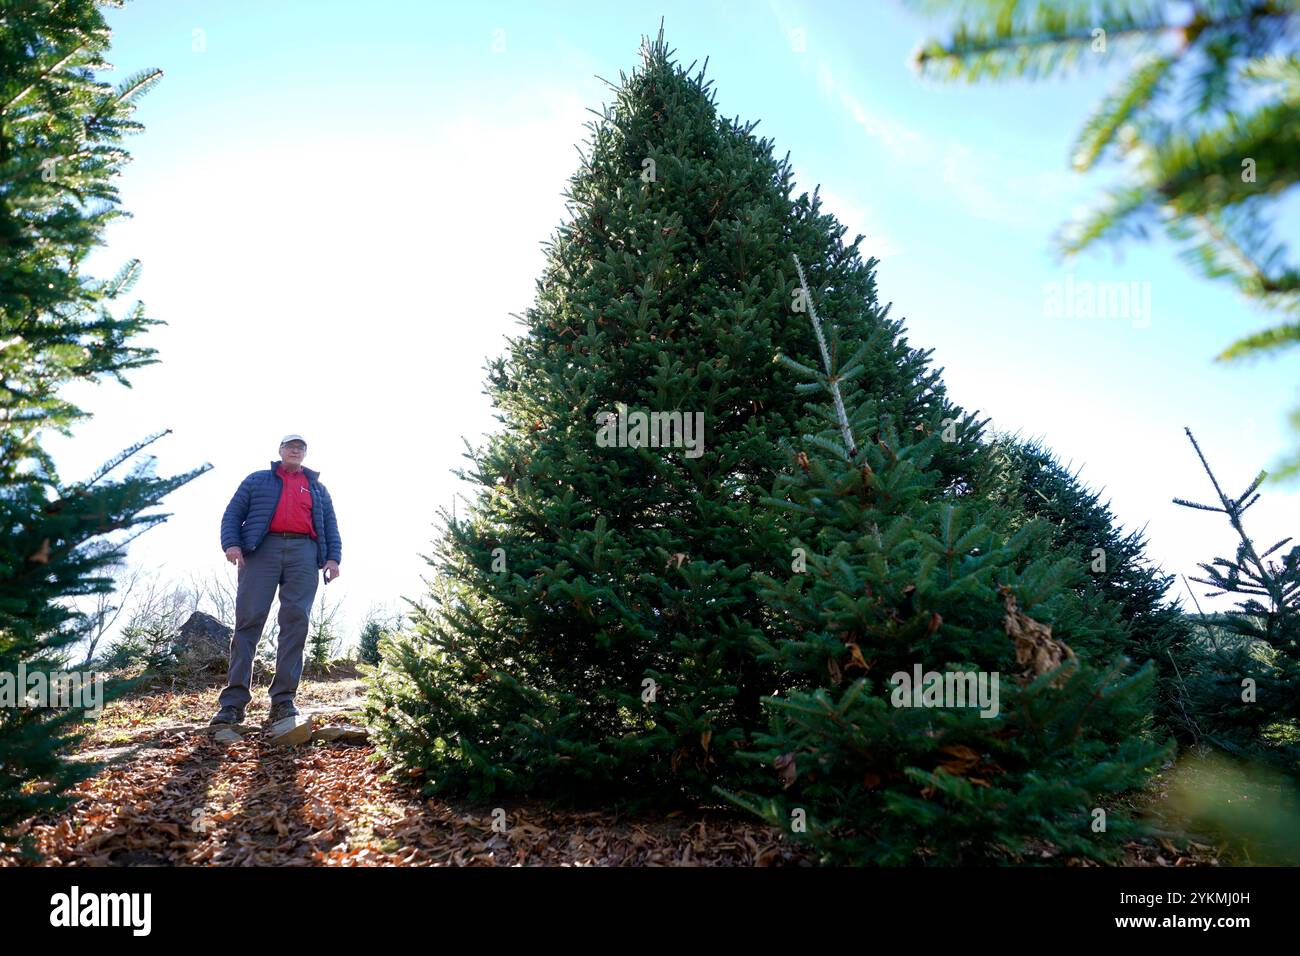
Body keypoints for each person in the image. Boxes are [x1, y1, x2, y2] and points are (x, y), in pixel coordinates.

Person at [210, 434, 342, 739]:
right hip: (261, 551)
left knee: (296, 623)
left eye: (301, 447)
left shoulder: (318, 489)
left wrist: (333, 559)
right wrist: (232, 544)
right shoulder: (258, 480)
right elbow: (232, 515)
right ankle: (232, 704)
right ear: (280, 451)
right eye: (290, 446)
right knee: (248, 621)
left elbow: (331, 526)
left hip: (304, 554)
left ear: (305, 454)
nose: (295, 450)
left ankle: (283, 701)